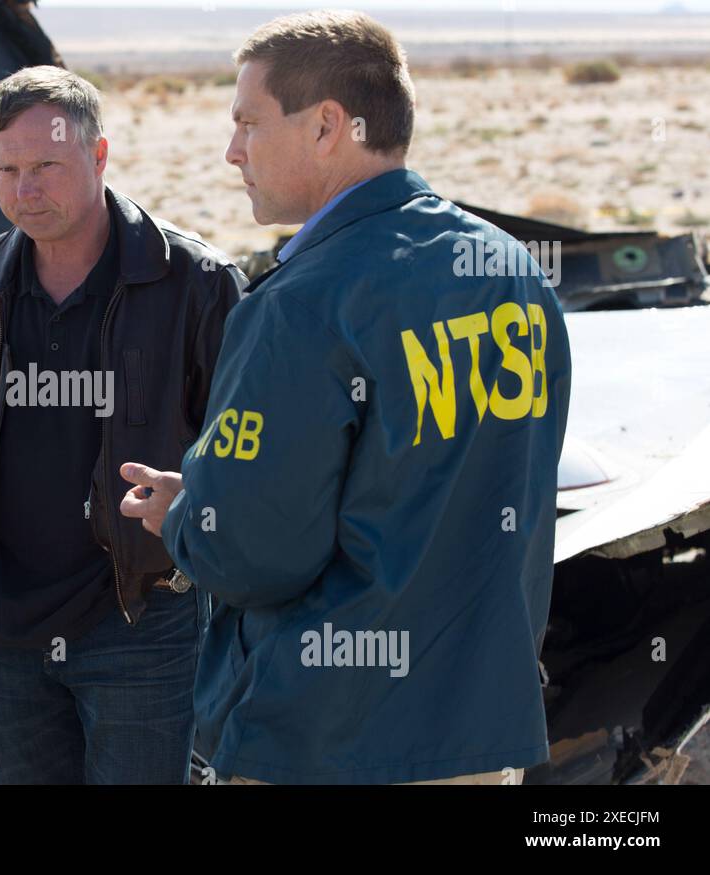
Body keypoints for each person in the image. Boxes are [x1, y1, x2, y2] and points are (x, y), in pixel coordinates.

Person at [119, 10, 571, 785]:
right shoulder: (514, 274)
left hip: (325, 740)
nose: (232, 151)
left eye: (248, 123)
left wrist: (190, 514)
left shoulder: (301, 304)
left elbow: (253, 552)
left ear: (328, 126)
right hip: (479, 740)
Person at [0, 66, 244, 784]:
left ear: (99, 154)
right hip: (2, 623)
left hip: (141, 617)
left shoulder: (196, 282)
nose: (25, 190)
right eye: (8, 169)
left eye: (46, 166)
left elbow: (247, 445)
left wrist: (191, 526)